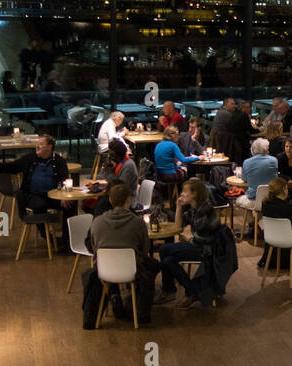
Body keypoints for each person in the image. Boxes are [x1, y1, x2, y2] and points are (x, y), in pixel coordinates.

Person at [82, 182, 156, 327]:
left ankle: (112, 298)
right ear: (128, 200)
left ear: (110, 200)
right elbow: (144, 249)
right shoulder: (137, 223)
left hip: (103, 271)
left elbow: (94, 246)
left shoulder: (97, 222)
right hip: (132, 270)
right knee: (152, 266)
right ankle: (139, 310)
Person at [157, 179, 222, 308]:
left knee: (164, 249)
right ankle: (189, 291)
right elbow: (178, 227)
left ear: (195, 194)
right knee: (168, 260)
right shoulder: (195, 209)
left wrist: (188, 240)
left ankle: (171, 290)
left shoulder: (205, 210)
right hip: (199, 246)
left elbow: (206, 240)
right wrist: (179, 207)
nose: (182, 194)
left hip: (207, 250)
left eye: (184, 191)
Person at [257, 177, 292, 271]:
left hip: (271, 237)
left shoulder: (265, 204)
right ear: (284, 189)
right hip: (288, 239)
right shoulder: (287, 207)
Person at [97, 138, 140, 210]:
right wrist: (107, 169)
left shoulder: (128, 166)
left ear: (117, 154)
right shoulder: (120, 163)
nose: (109, 156)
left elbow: (120, 188)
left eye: (111, 153)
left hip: (127, 201)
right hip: (118, 197)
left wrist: (107, 172)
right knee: (96, 201)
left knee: (101, 205)